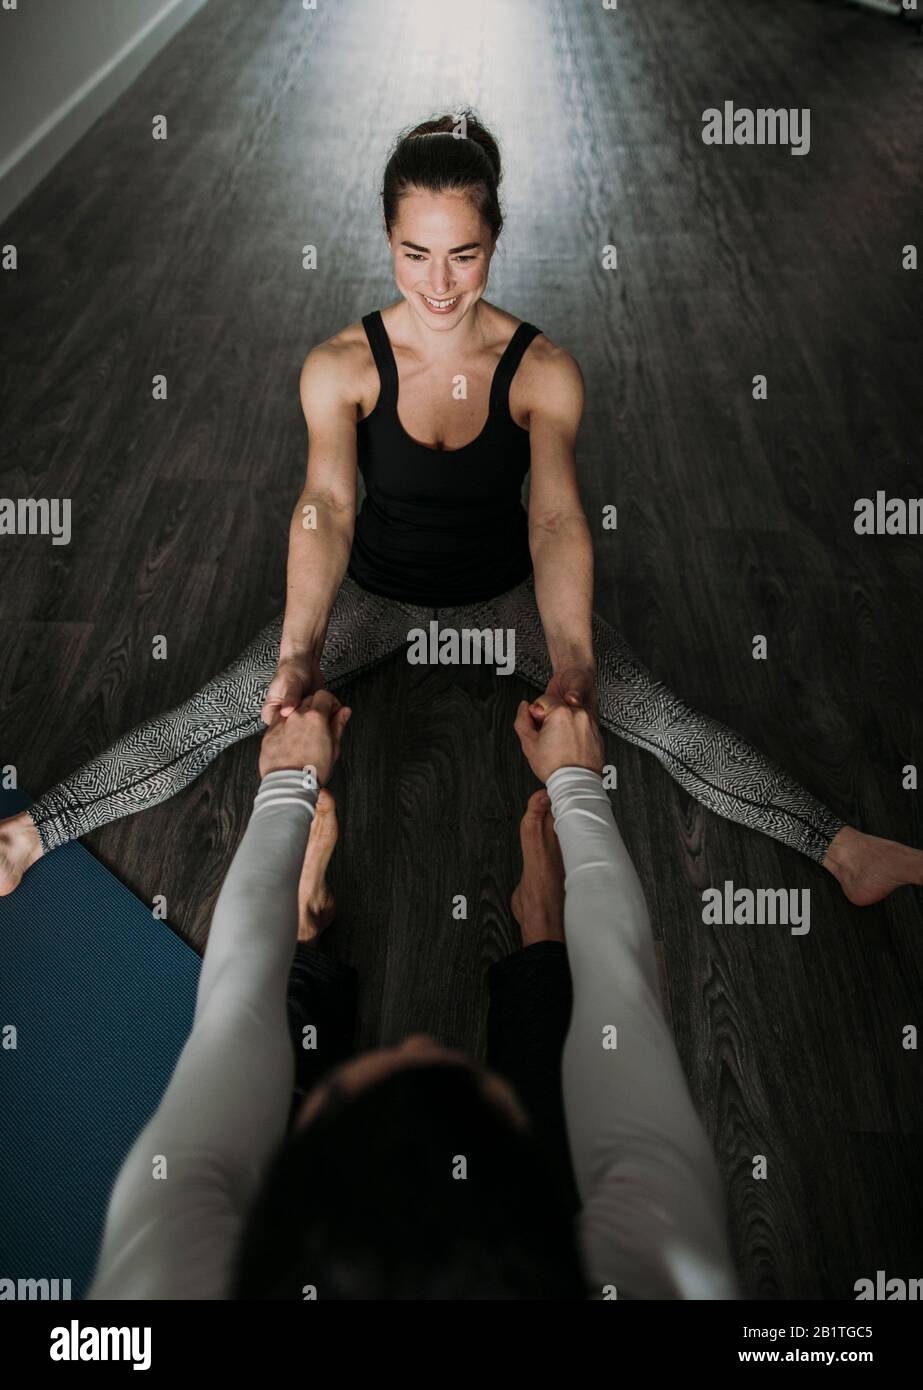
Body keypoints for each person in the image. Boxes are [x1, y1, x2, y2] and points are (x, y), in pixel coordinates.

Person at [2, 109, 920, 909]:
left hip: (500, 597)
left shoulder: (544, 372)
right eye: (413, 255)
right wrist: (298, 652)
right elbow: (325, 502)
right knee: (226, 706)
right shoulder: (340, 366)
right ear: (385, 241)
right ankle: (23, 839)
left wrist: (570, 658)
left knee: (656, 715)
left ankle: (843, 852)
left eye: (463, 255)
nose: (438, 285)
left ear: (495, 242)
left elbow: (556, 521)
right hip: (376, 594)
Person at [87, 689, 740, 1300]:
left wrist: (290, 780)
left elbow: (238, 1000)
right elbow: (619, 986)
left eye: (338, 1098)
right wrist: (574, 778)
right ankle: (540, 930)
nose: (422, 1041)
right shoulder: (667, 1273)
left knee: (273, 1031)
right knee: (562, 1085)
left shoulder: (162, 1281)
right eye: (479, 1091)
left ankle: (305, 932)